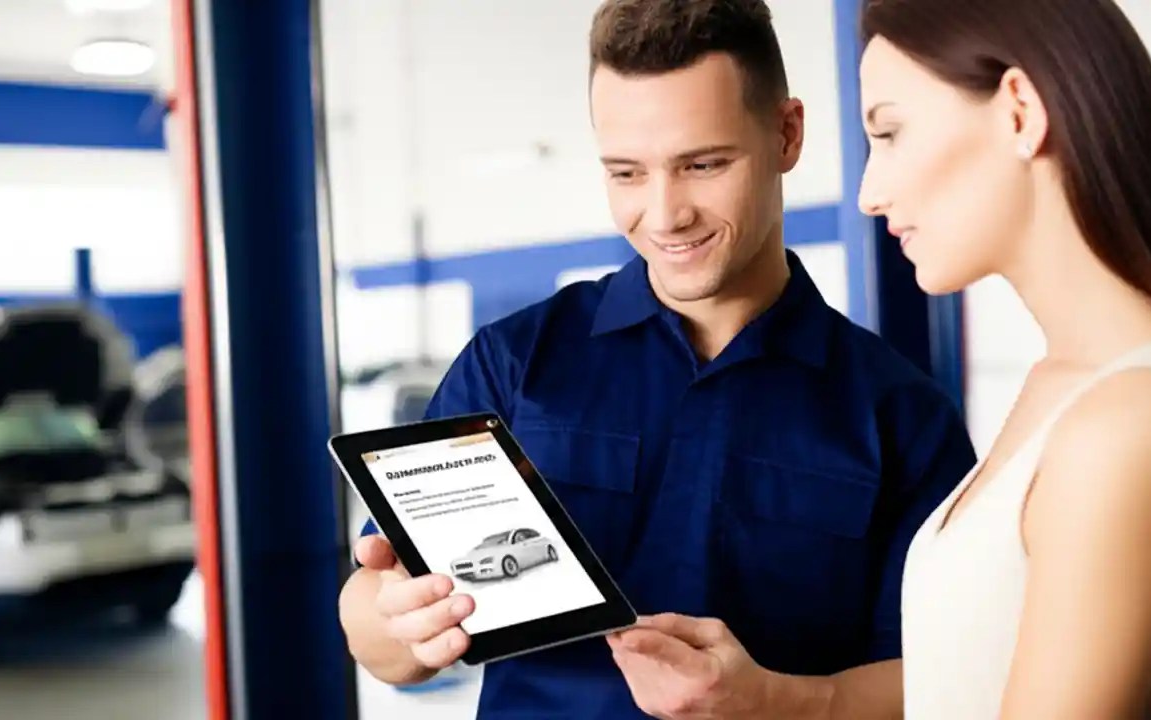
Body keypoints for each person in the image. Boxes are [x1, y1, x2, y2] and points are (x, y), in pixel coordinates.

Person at [337, 1, 977, 718]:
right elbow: (377, 607)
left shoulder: (903, 416)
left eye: (702, 165)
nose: (666, 214)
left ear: (787, 133)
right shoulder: (515, 363)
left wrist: (780, 701)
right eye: (627, 174)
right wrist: (394, 625)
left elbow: (944, 679)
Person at [850, 0, 1151, 717]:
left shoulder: (1129, 418)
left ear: (1019, 111)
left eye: (890, 132)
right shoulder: (1064, 390)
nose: (870, 194)